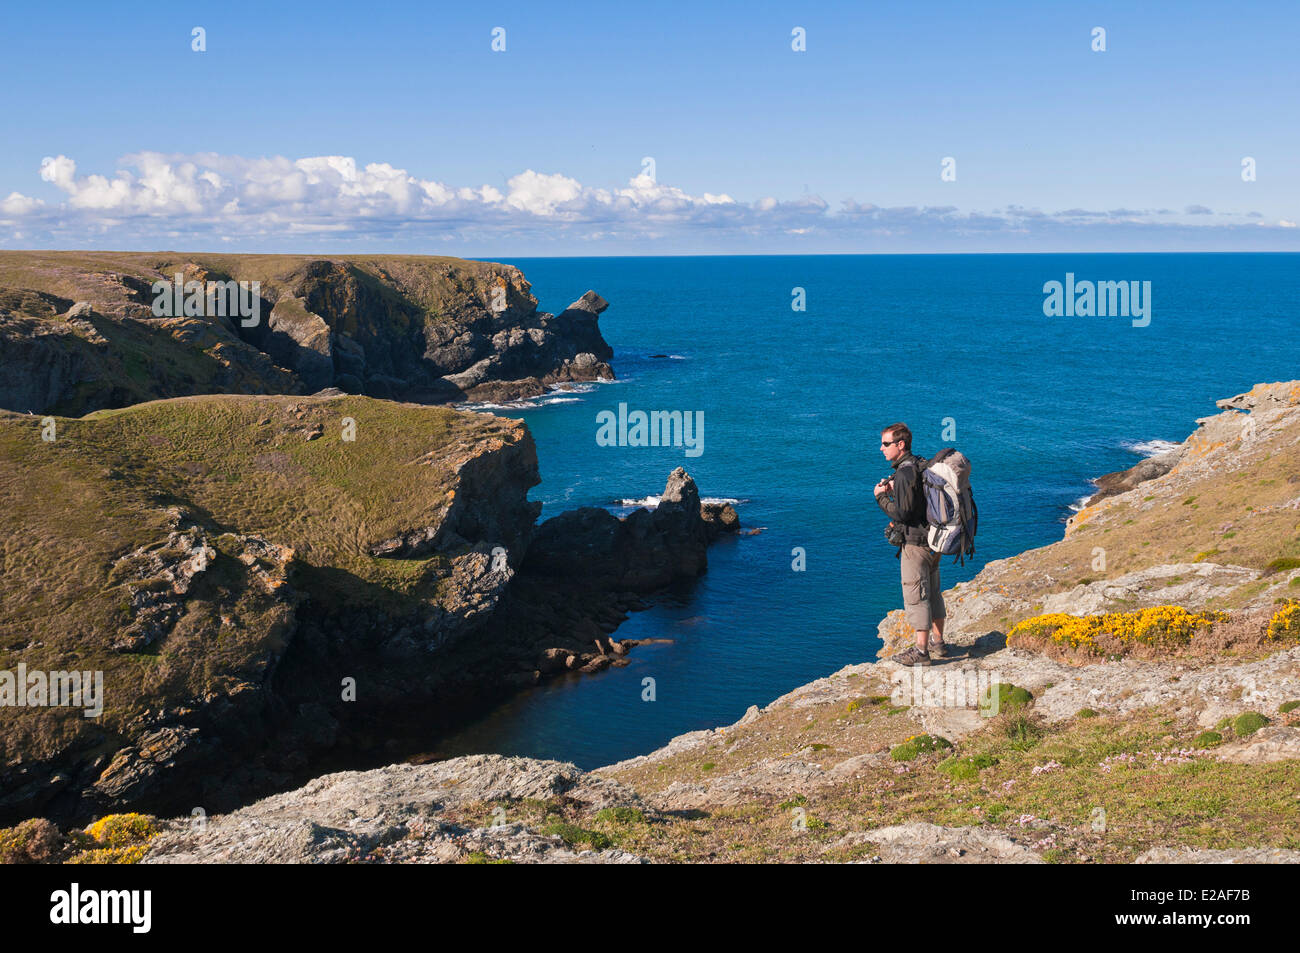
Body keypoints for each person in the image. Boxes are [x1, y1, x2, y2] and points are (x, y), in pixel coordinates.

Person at [873, 423, 947, 665]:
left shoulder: (904, 474)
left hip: (916, 544)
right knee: (933, 592)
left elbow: (903, 514)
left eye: (886, 444)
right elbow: (917, 502)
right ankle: (939, 642)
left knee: (916, 595)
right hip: (933, 540)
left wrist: (881, 498)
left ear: (900, 444)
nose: (881, 448)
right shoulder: (920, 464)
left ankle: (921, 652)